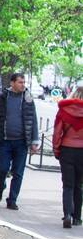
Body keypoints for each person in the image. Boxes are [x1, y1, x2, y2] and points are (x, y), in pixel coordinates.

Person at [0, 72, 39, 210]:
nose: (23, 85)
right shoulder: (3, 97)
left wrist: (34, 140)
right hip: (5, 141)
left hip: (21, 142)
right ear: (12, 83)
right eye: (20, 82)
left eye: (24, 82)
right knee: (2, 168)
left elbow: (33, 120)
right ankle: (0, 185)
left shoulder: (27, 98)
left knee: (18, 172)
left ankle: (12, 199)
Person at [54, 85, 83, 228]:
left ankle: (67, 215)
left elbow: (57, 132)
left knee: (68, 185)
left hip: (67, 150)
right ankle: (77, 217)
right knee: (79, 185)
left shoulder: (64, 110)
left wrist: (56, 150)